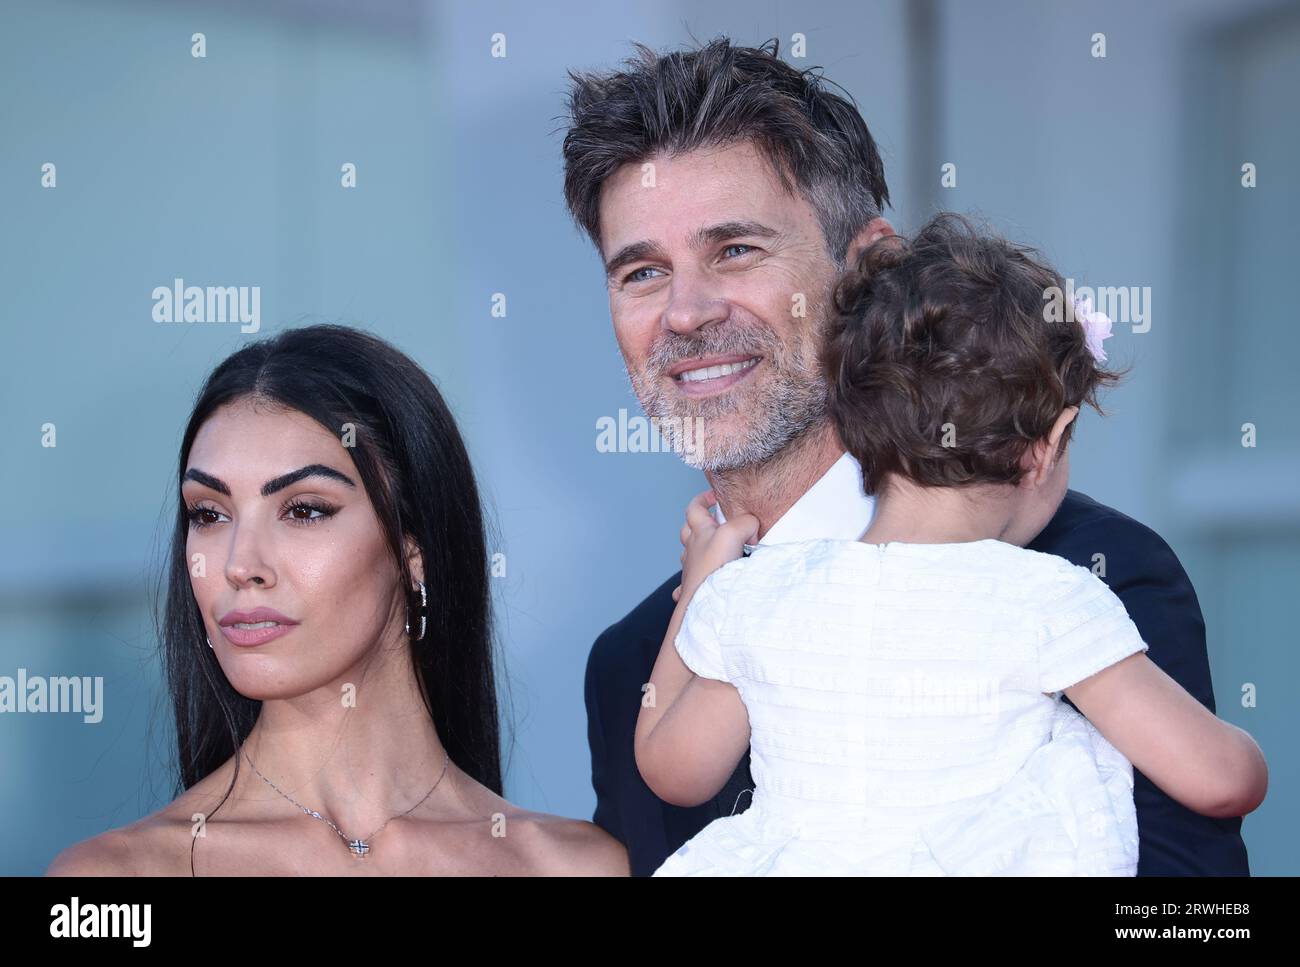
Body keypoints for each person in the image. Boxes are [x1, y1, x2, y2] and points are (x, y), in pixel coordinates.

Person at [562, 36, 1252, 875]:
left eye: (735, 250)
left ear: (870, 269)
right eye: (641, 271)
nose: (684, 312)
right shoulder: (631, 664)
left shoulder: (1094, 572)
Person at [637, 215, 1267, 875]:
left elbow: (671, 767)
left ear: (852, 428)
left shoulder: (761, 595)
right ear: (1044, 447)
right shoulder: (1049, 598)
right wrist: (1247, 753)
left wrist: (703, 591)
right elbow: (1219, 780)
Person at [47, 324, 627, 876]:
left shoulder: (578, 865)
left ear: (413, 546)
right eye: (210, 514)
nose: (239, 565)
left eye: (304, 510)